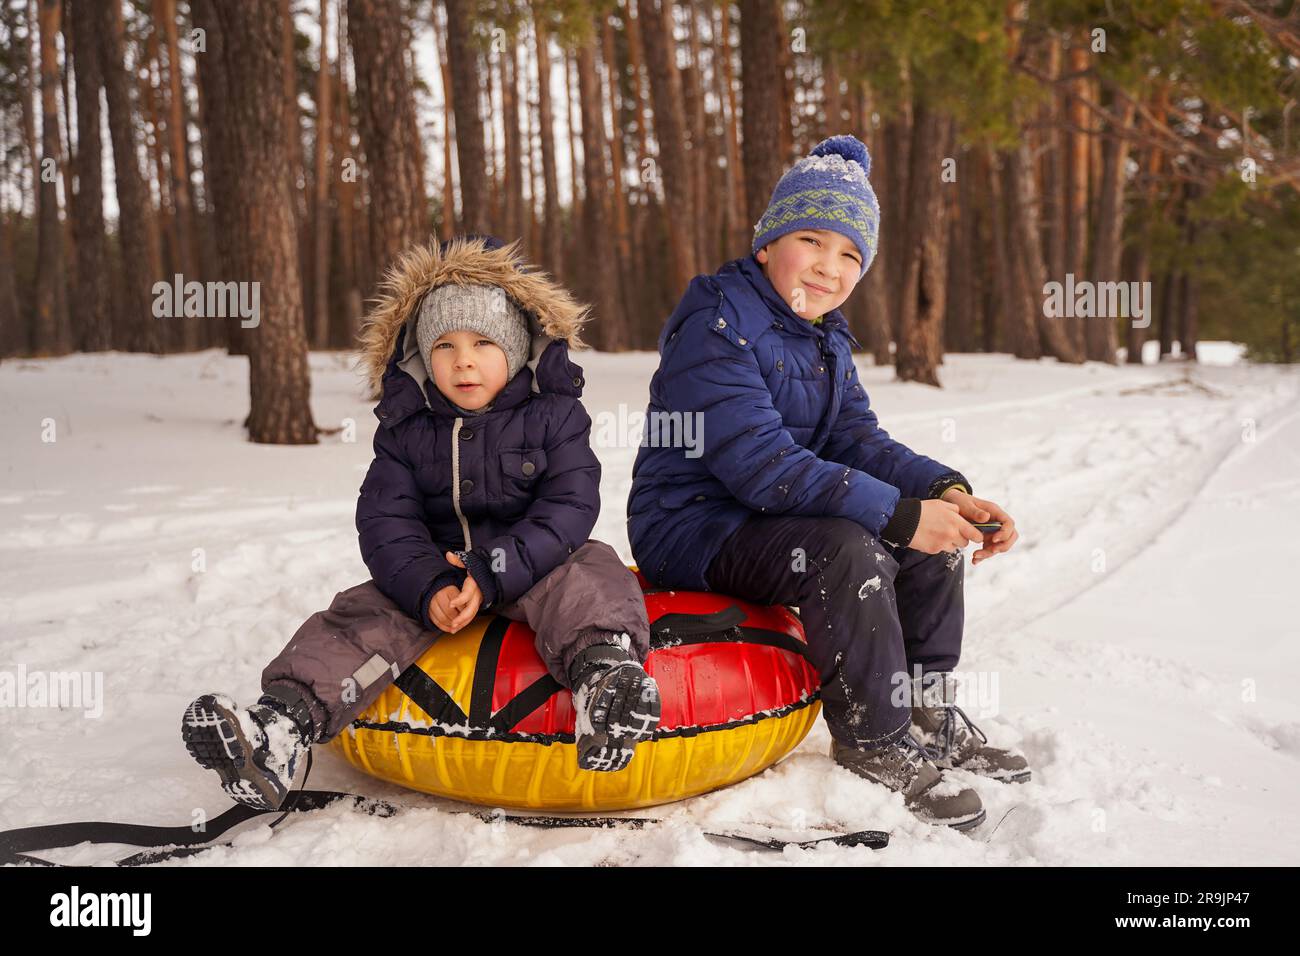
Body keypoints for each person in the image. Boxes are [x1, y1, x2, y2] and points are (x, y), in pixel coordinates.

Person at [627, 135, 1028, 831]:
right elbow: (758, 465)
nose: (829, 266)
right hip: (693, 527)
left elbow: (857, 441)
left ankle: (922, 704)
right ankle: (876, 741)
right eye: (811, 239)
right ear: (768, 243)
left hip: (770, 518)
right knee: (850, 546)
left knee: (924, 533)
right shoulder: (715, 320)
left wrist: (946, 493)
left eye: (851, 254)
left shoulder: (824, 338)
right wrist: (899, 517)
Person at [182, 235, 659, 810]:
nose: (463, 360)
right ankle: (279, 727)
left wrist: (492, 572)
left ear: (514, 348)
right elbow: (386, 519)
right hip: (436, 570)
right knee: (360, 615)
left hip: (532, 563)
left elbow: (571, 506)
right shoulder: (408, 427)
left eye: (483, 342)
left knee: (592, 570)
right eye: (445, 345)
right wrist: (427, 584)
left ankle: (604, 681)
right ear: (421, 357)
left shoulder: (554, 415)